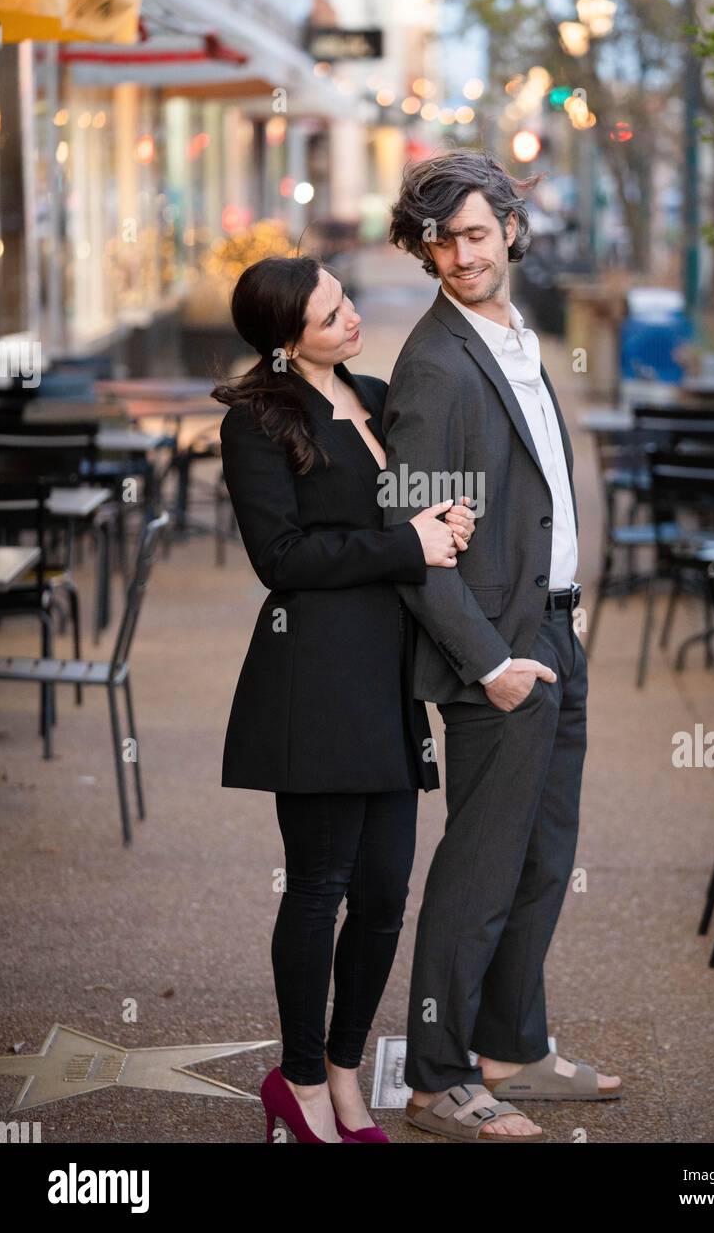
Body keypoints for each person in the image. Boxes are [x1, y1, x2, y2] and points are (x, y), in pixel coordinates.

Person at [382, 150, 622, 1144]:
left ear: (511, 229)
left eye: (474, 233)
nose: (458, 254)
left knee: (540, 861)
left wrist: (565, 619)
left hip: (553, 632)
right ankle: (438, 1077)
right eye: (439, 240)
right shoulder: (432, 363)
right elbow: (410, 540)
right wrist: (488, 662)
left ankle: (511, 1045)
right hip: (498, 658)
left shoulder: (518, 338)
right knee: (478, 874)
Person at [213, 254, 476, 1144]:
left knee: (384, 895)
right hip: (316, 679)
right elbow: (280, 560)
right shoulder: (258, 420)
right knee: (319, 887)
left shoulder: (370, 391)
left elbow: (397, 516)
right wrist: (407, 544)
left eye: (345, 300)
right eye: (329, 317)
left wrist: (444, 522)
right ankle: (297, 1082)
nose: (352, 319)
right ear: (286, 342)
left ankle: (344, 1069)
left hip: (390, 679)